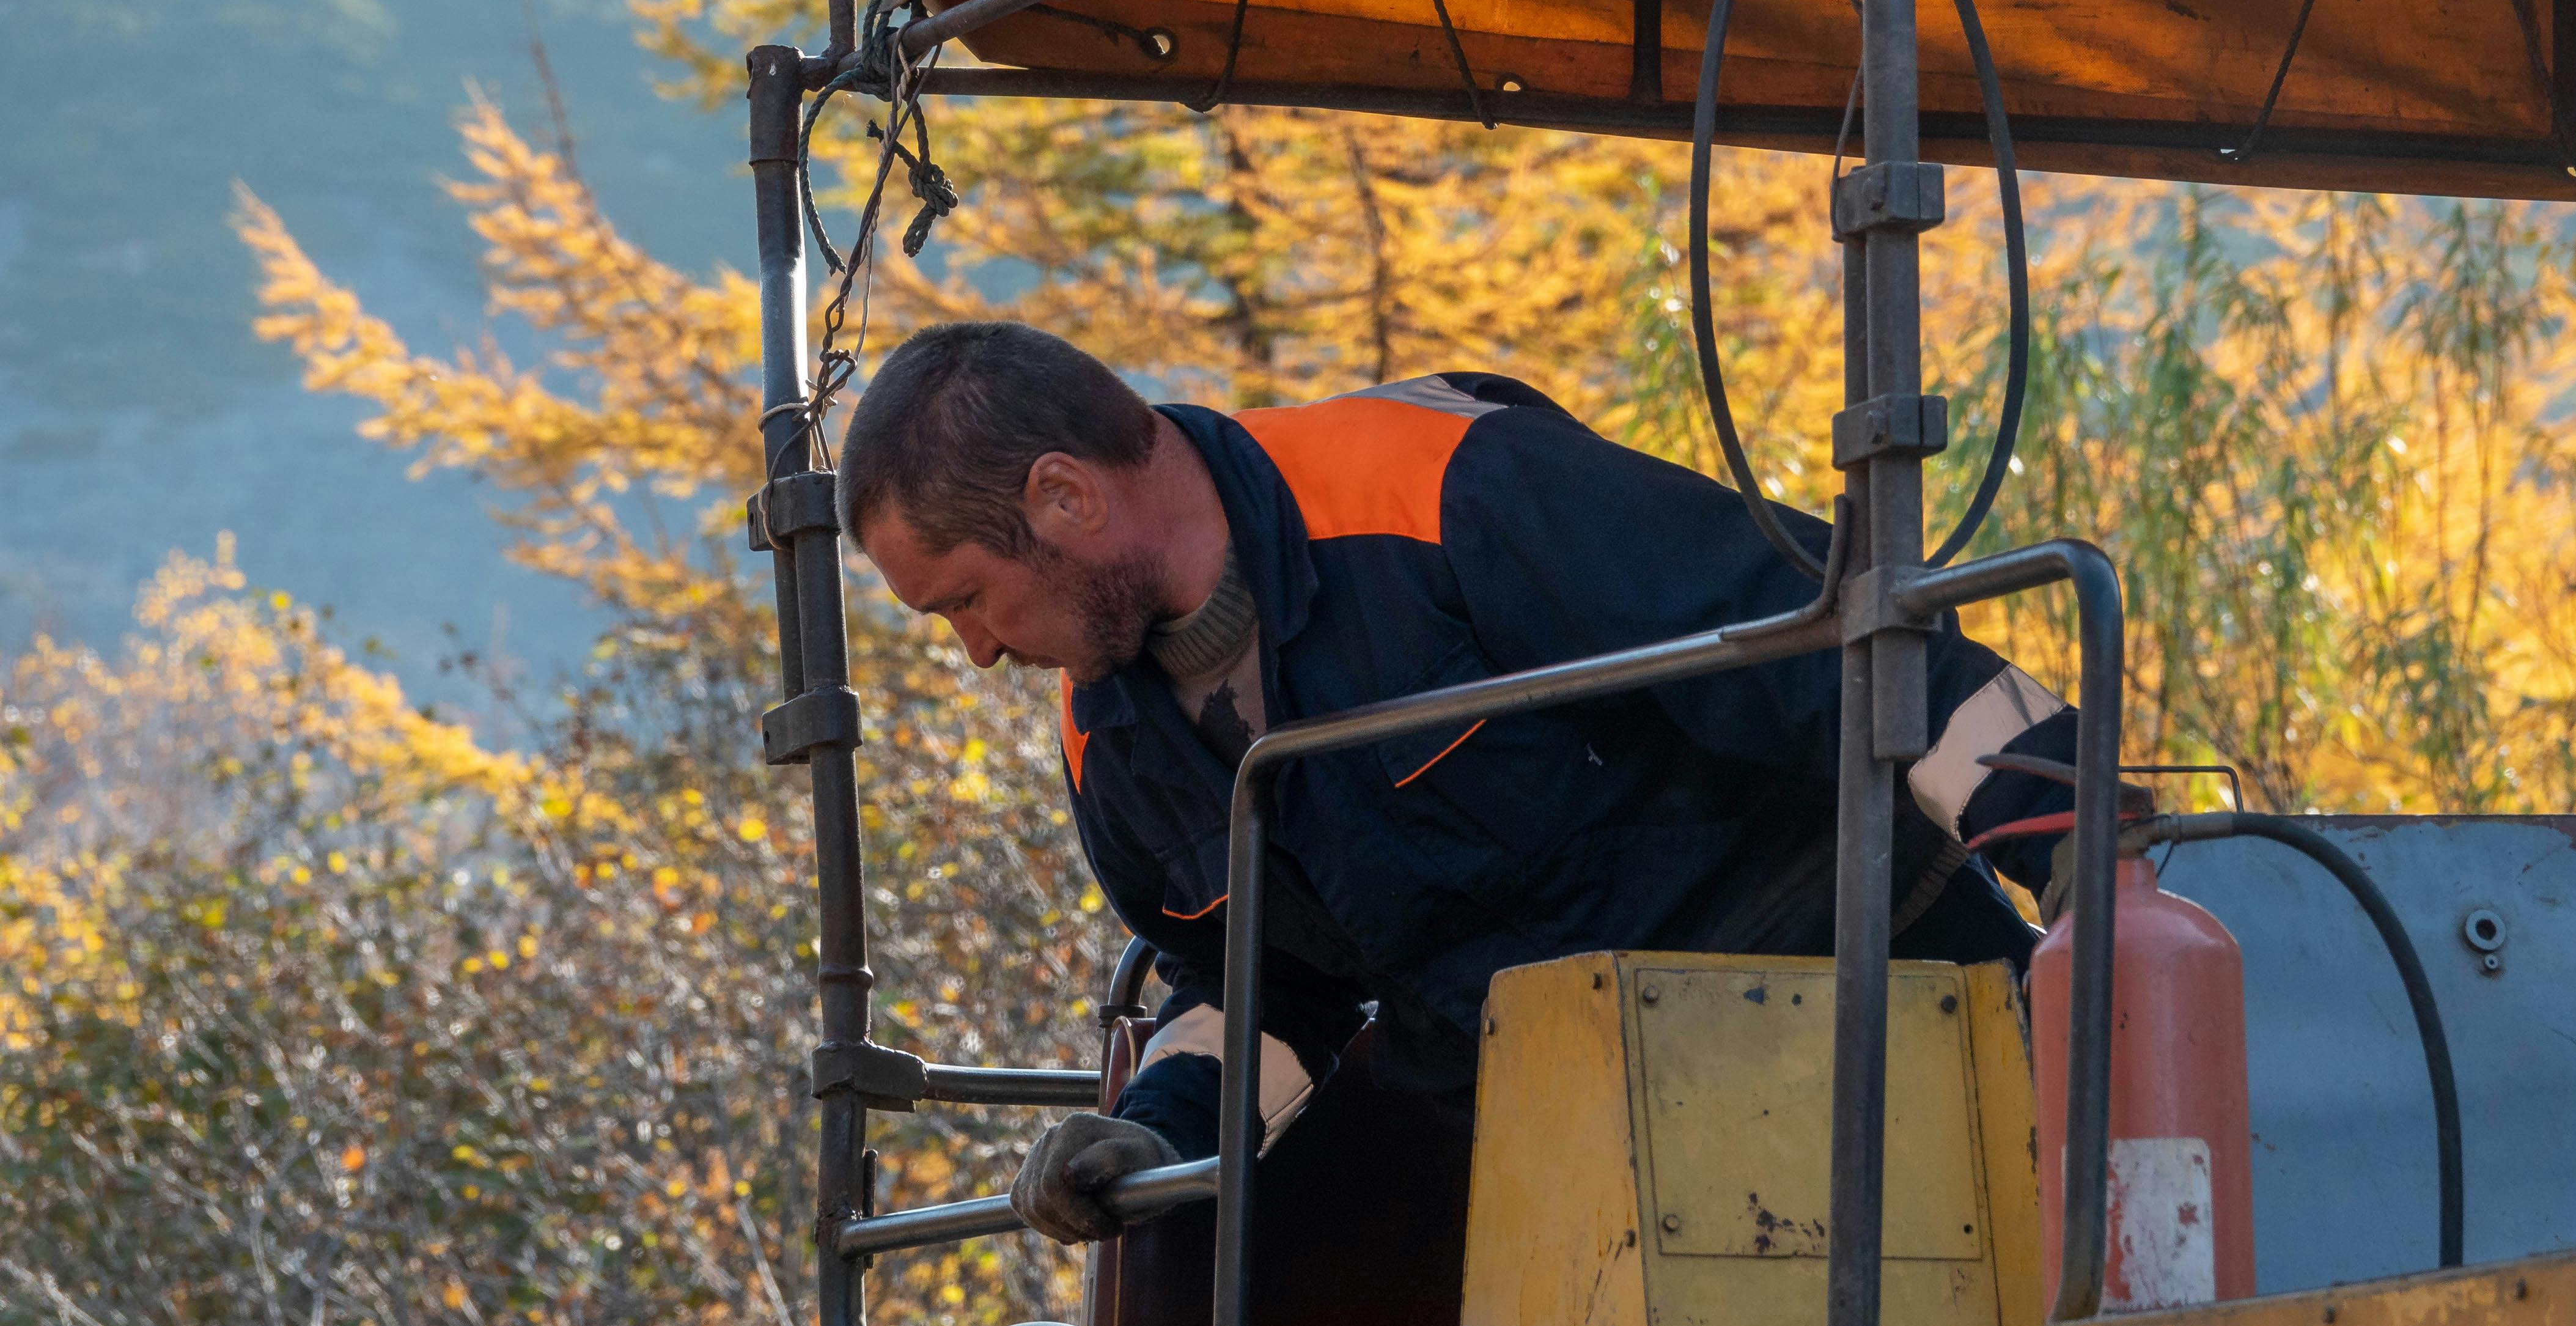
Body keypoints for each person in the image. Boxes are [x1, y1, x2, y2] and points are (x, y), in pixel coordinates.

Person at [841, 322, 2078, 1248]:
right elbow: (1262, 983)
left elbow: (1832, 639)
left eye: (961, 598)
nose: (978, 650)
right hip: (1579, 1173)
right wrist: (1157, 1131)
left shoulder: (1440, 490)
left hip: (1883, 1036)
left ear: (1062, 495)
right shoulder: (1106, 737)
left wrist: (2079, 846)